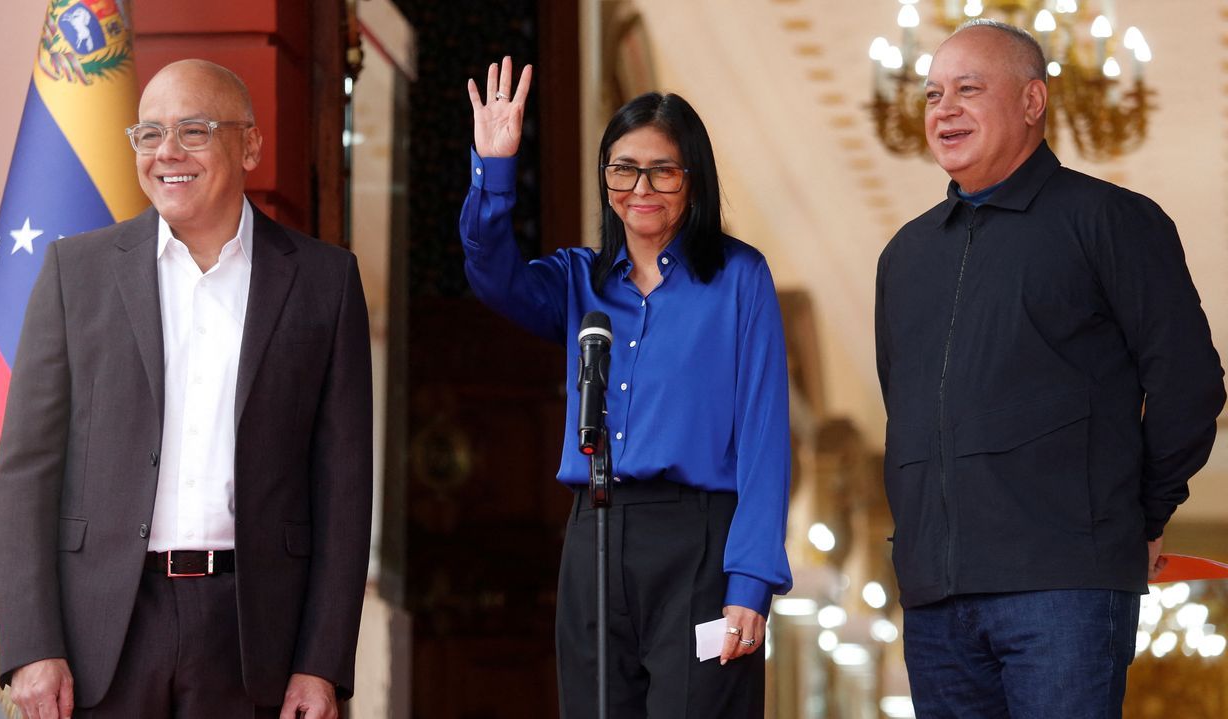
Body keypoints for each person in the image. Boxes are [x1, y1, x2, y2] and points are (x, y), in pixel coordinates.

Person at [0, 59, 373, 719]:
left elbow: (342, 486)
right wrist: (31, 645)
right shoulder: (73, 274)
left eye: (193, 131)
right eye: (149, 134)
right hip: (102, 636)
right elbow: (26, 469)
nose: (166, 152)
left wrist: (322, 663)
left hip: (254, 637)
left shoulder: (324, 282)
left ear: (249, 144)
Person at [875, 19, 1225, 717]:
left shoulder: (1112, 220)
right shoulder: (904, 257)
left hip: (1065, 591)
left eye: (968, 89)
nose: (943, 109)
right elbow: (907, 415)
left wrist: (1144, 513)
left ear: (1032, 102)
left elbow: (1190, 386)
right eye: (932, 93)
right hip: (936, 606)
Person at [459, 57, 792, 718]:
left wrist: (750, 581)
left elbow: (764, 434)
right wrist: (494, 167)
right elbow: (491, 274)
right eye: (623, 168)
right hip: (596, 532)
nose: (641, 186)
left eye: (662, 169)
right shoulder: (578, 279)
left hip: (700, 543)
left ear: (694, 179)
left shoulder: (739, 278)